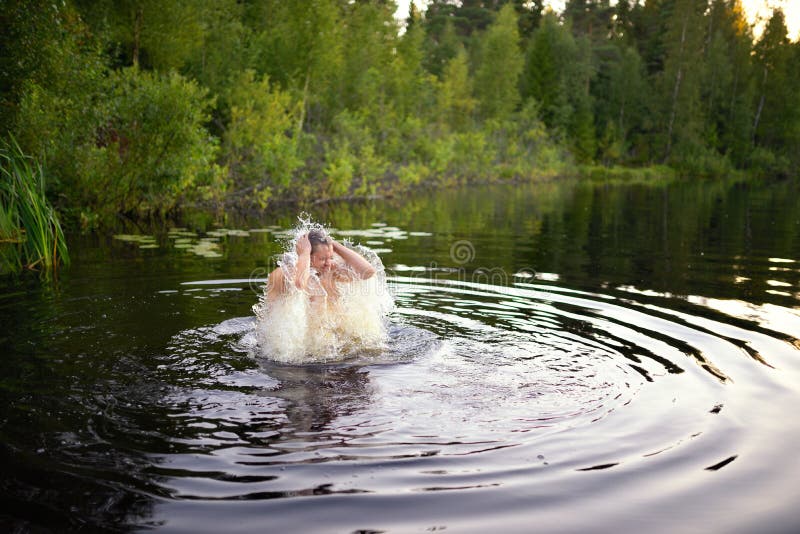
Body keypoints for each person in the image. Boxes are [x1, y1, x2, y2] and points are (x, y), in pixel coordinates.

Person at [265, 229, 376, 305]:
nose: (328, 263)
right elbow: (299, 284)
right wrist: (305, 252)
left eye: (330, 257)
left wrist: (334, 245)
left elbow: (368, 272)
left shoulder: (330, 270)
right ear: (308, 256)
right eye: (322, 259)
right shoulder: (285, 273)